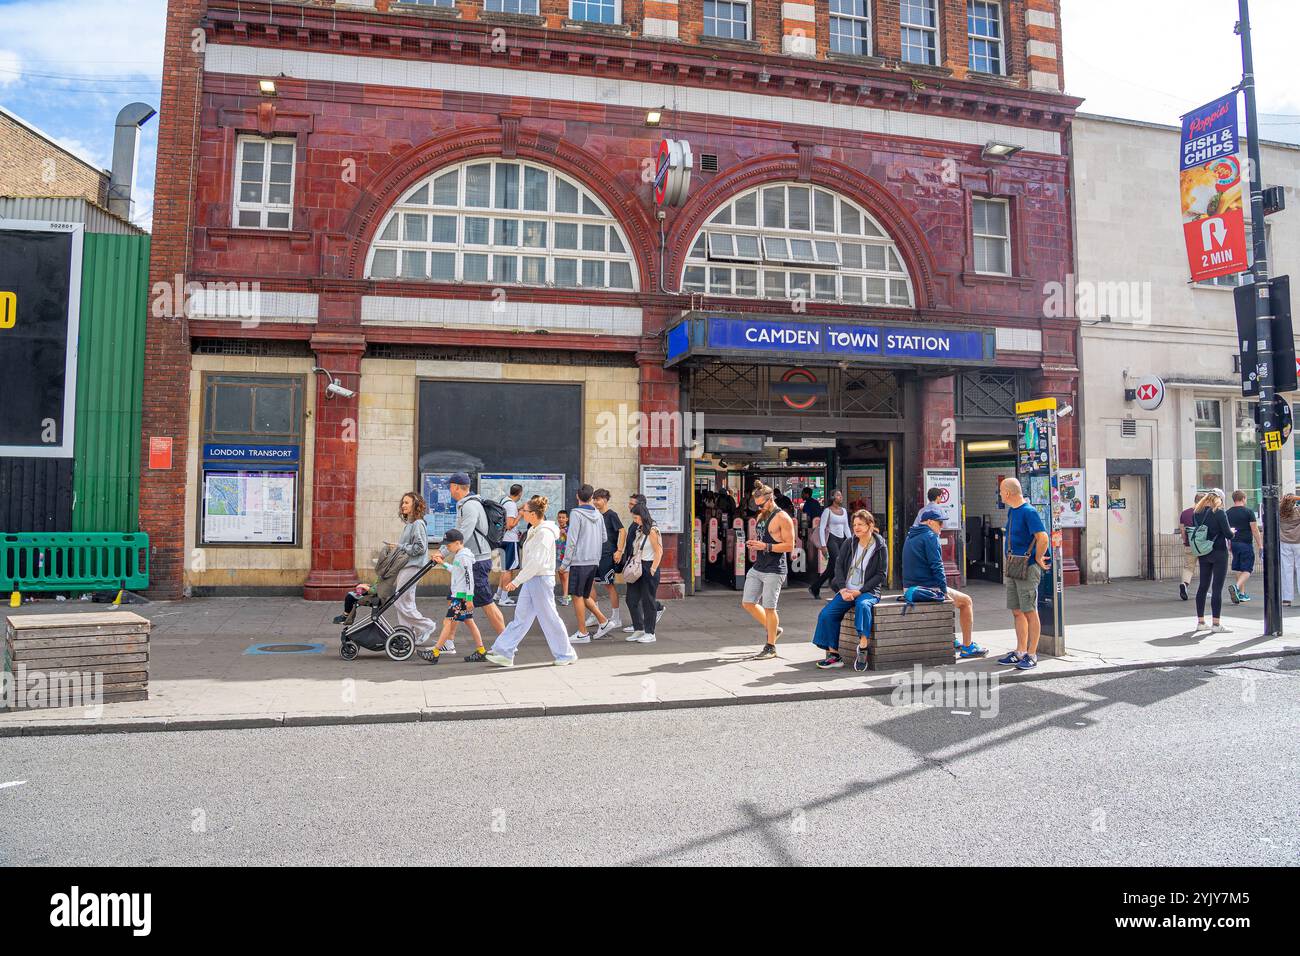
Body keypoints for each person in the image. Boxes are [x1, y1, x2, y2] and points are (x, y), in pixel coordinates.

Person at [486, 496, 578, 667]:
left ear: (534, 514)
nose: (522, 513)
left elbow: (537, 561)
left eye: (525, 511)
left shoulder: (544, 533)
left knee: (549, 617)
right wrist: (522, 579)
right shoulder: (535, 530)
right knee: (521, 618)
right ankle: (504, 651)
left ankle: (566, 654)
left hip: (540, 579)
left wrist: (517, 581)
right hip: (533, 579)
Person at [903, 507, 986, 659]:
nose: (943, 526)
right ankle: (968, 647)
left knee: (953, 598)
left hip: (910, 588)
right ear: (929, 522)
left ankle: (952, 639)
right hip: (926, 588)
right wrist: (944, 590)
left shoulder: (911, 536)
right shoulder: (930, 536)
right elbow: (937, 566)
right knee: (966, 601)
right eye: (940, 523)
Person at [433, 474, 506, 641]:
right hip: (470, 559)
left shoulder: (470, 506)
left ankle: (507, 643)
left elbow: (462, 535)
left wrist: (443, 552)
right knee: (455, 601)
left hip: (477, 561)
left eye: (450, 486)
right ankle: (448, 642)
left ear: (457, 487)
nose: (449, 489)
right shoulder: (465, 505)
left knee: (487, 604)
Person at [811, 509, 886, 670]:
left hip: (868, 591)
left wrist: (861, 591)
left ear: (870, 525)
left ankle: (863, 647)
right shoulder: (849, 543)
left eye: (860, 524)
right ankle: (834, 655)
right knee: (827, 614)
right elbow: (838, 566)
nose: (856, 528)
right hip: (847, 589)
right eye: (854, 525)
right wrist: (843, 588)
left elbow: (881, 575)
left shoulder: (880, 546)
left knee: (863, 606)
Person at [996, 478, 1050, 671]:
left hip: (1026, 566)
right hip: (1013, 565)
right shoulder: (1013, 510)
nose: (1000, 494)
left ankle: (1032, 654)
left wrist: (1038, 557)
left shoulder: (1029, 511)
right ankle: (1020, 651)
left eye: (1001, 491)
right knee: (1017, 610)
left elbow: (1043, 537)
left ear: (1009, 493)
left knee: (1029, 611)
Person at [416, 529, 488, 663]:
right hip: (461, 596)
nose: (447, 548)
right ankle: (481, 651)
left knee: (448, 622)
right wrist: (442, 563)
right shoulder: (460, 555)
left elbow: (469, 577)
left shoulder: (463, 556)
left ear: (457, 543)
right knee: (469, 622)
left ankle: (435, 652)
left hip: (460, 597)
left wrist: (469, 598)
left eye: (449, 545)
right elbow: (456, 571)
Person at [742, 482, 795, 660]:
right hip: (759, 566)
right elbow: (762, 539)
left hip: (775, 568)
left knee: (769, 607)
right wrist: (754, 544)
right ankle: (774, 629)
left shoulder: (783, 518)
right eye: (756, 505)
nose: (759, 507)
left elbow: (789, 546)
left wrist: (765, 546)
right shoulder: (760, 516)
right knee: (748, 602)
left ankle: (771, 647)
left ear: (770, 499)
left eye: (761, 504)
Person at [387, 491, 445, 649]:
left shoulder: (418, 523)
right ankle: (408, 633)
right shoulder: (410, 524)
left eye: (406, 502)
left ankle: (425, 625)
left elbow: (420, 548)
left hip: (412, 566)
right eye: (402, 503)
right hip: (407, 566)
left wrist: (399, 547)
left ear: (415, 505)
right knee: (406, 600)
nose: (403, 505)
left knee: (400, 600)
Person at [560, 484, 613, 643]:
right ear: (591, 498)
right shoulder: (598, 514)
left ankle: (582, 633)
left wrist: (564, 564)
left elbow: (571, 540)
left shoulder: (576, 514)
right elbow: (604, 538)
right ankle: (603, 622)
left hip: (579, 560)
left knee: (576, 596)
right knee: (584, 595)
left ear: (577, 496)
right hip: (594, 560)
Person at [617, 492, 665, 632]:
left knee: (647, 601)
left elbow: (659, 551)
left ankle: (649, 632)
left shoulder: (652, 530)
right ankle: (638, 629)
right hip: (638, 566)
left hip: (648, 566)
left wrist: (653, 569)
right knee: (632, 599)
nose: (634, 519)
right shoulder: (637, 528)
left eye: (636, 517)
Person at [1190, 488, 1233, 634]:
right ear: (1219, 499)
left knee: (1203, 586)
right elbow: (1228, 534)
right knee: (1217, 588)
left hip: (1203, 552)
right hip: (1219, 551)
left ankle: (1201, 622)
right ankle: (1216, 624)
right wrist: (1232, 532)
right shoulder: (1219, 512)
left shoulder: (1197, 512)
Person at [590, 489, 625, 631]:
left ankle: (616, 618)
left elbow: (622, 531)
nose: (595, 502)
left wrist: (619, 551)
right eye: (594, 499)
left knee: (609, 585)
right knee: (590, 583)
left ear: (604, 499)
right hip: (595, 555)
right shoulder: (595, 515)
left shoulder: (611, 515)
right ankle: (594, 615)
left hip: (607, 555)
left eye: (597, 499)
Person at [809, 489, 849, 600]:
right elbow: (822, 528)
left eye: (841, 495)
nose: (840, 497)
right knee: (837, 561)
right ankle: (836, 586)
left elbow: (846, 527)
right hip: (831, 539)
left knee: (832, 566)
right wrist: (823, 545)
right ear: (832, 497)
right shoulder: (827, 511)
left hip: (842, 540)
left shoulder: (844, 511)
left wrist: (851, 541)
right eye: (838, 495)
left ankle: (815, 587)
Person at [1224, 490, 1262, 604]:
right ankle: (1236, 587)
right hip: (1245, 543)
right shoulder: (1248, 512)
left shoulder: (1227, 513)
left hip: (1233, 543)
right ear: (1243, 499)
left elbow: (1226, 529)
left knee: (1238, 568)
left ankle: (1241, 593)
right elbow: (1254, 529)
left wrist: (1229, 544)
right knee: (1247, 569)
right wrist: (1260, 545)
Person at [494, 483, 524, 607]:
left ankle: (498, 594)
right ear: (520, 493)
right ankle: (504, 598)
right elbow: (510, 525)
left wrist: (520, 509)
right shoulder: (511, 505)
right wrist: (521, 515)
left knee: (504, 568)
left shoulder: (505, 501)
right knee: (509, 569)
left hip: (502, 540)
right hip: (510, 540)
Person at [1176, 493, 1206, 601]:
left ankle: (1184, 584)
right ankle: (1204, 590)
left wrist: (1185, 541)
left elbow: (1182, 531)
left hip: (1190, 544)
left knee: (1189, 567)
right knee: (1205, 568)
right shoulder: (1206, 513)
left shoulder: (1184, 513)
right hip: (1203, 546)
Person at [1279, 494, 1300, 607]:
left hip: (1285, 543)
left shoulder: (1279, 512)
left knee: (1286, 570)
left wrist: (1284, 499)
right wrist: (1296, 497)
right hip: (1298, 542)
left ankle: (1286, 599)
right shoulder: (1298, 511)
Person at [555, 509, 571, 605]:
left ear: (567, 519)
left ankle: (566, 598)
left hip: (566, 557)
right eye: (559, 517)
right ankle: (565, 595)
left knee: (565, 576)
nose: (561, 519)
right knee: (561, 575)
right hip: (557, 556)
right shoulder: (556, 529)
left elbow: (572, 542)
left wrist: (565, 534)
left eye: (563, 518)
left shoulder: (569, 529)